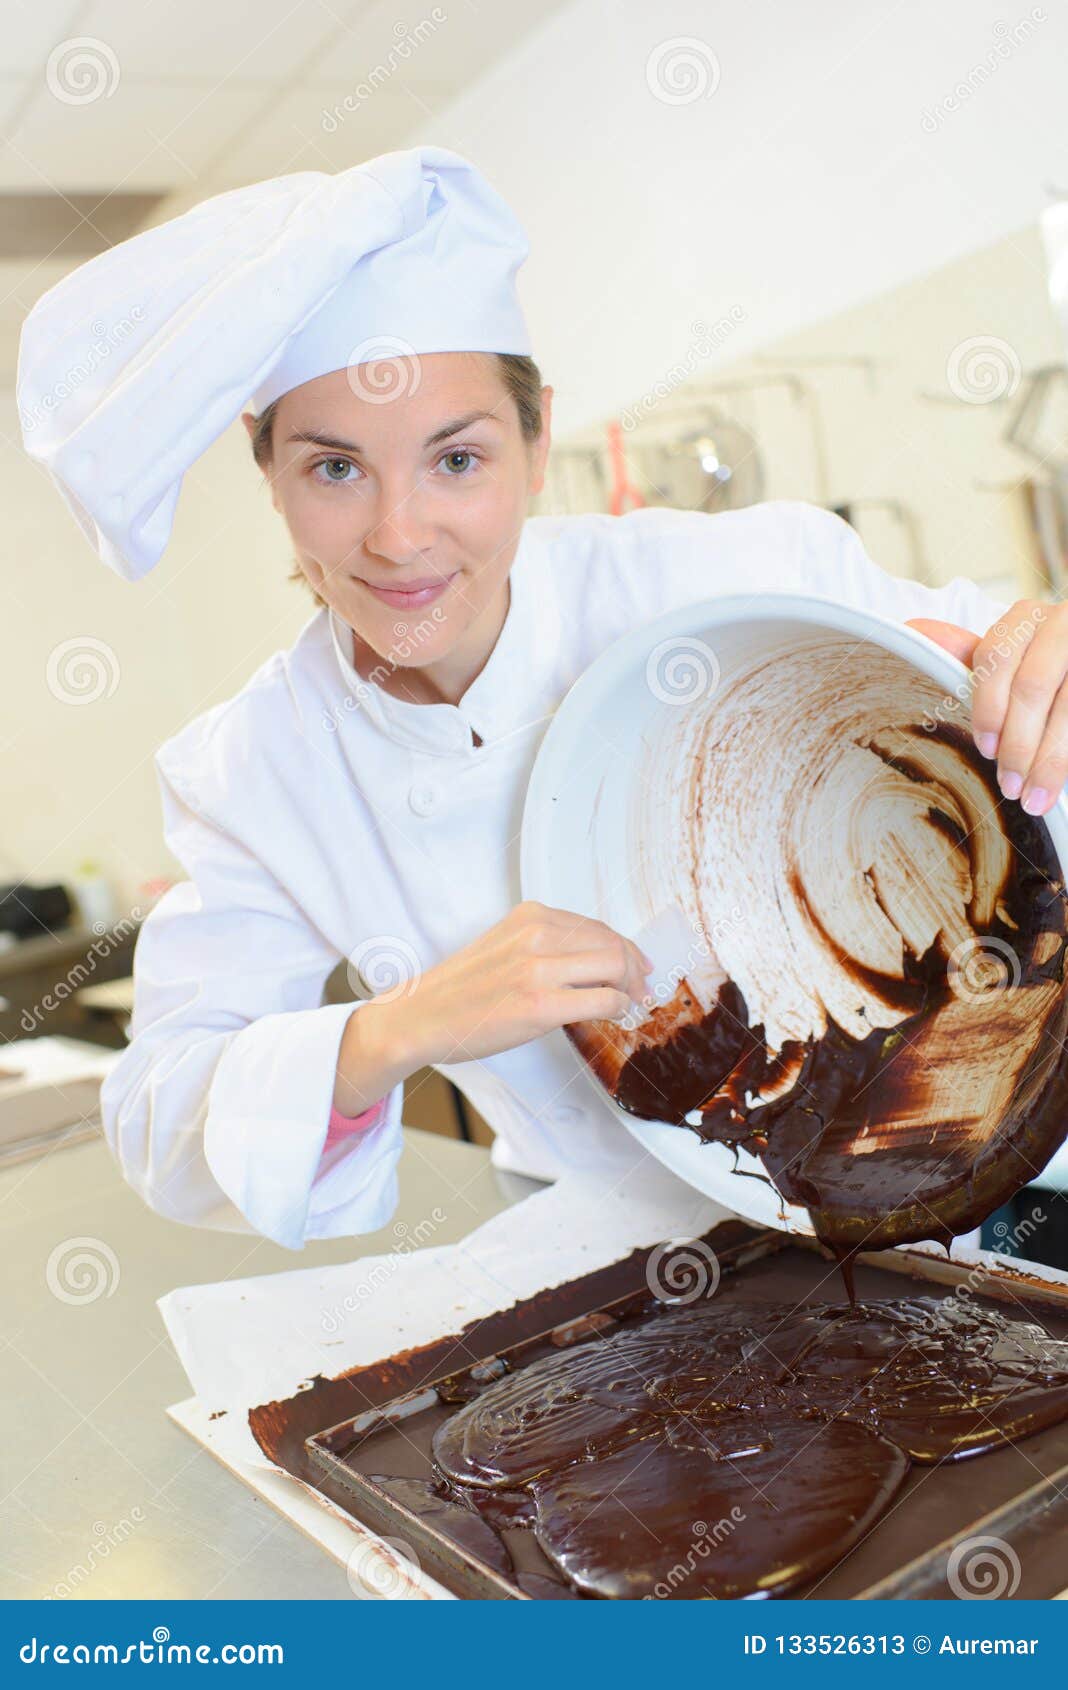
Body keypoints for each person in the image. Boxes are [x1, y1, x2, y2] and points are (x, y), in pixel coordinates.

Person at [17, 147, 1068, 1250]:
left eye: (456, 460)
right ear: (268, 471)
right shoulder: (256, 768)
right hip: (634, 1257)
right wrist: (399, 1028)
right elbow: (158, 1125)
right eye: (335, 469)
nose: (400, 535)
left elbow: (1019, 698)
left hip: (1003, 1184)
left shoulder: (743, 580)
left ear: (535, 439)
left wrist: (1042, 668)